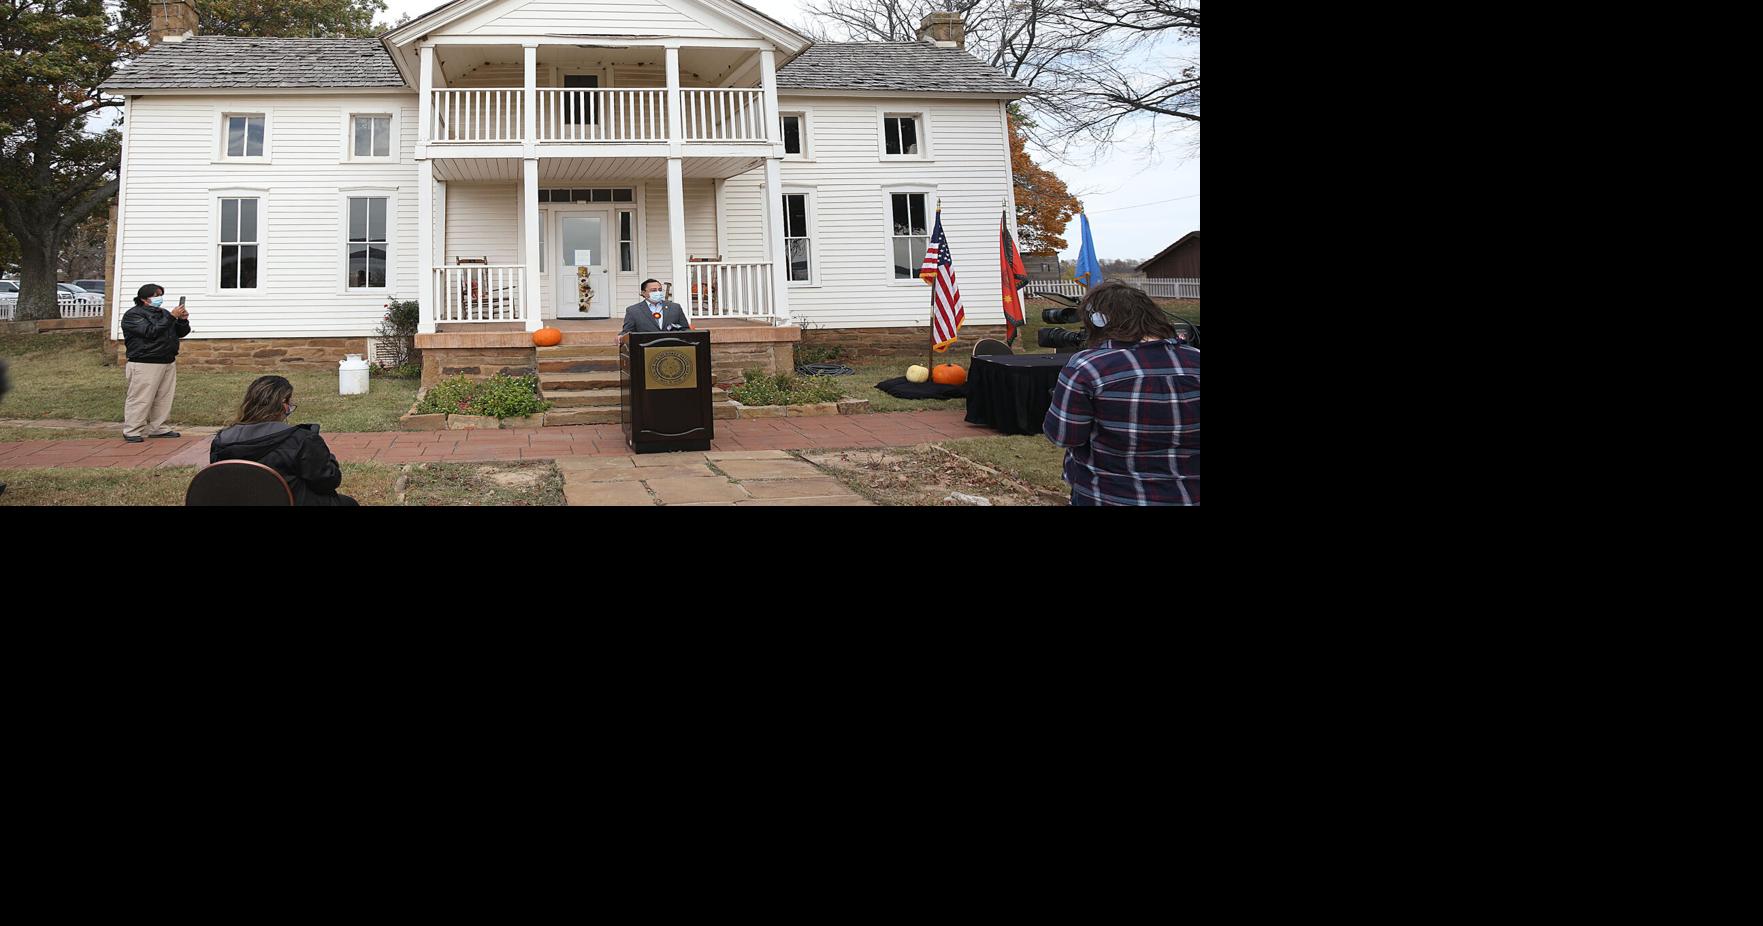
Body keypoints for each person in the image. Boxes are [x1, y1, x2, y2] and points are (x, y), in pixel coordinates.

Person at [1042, 282, 1200, 506]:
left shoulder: (1087, 367)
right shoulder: (1195, 359)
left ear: (1098, 321)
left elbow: (1063, 436)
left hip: (1108, 496)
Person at [209, 376, 358, 507]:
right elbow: (328, 482)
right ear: (283, 404)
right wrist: (329, 459)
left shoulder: (221, 440)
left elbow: (219, 480)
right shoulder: (301, 440)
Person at [120, 283, 191, 442]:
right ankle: (132, 430)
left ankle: (159, 427)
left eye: (160, 295)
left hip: (167, 360)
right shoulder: (133, 315)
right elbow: (150, 332)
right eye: (156, 295)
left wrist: (182, 320)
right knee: (141, 397)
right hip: (145, 361)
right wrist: (172, 317)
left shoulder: (163, 313)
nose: (159, 298)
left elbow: (180, 332)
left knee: (163, 397)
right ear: (144, 299)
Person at [619, 279, 691, 335]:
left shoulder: (675, 307)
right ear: (643, 293)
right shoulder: (633, 311)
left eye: (660, 290)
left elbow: (685, 329)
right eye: (653, 290)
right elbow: (627, 332)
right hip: (646, 346)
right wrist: (620, 337)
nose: (658, 292)